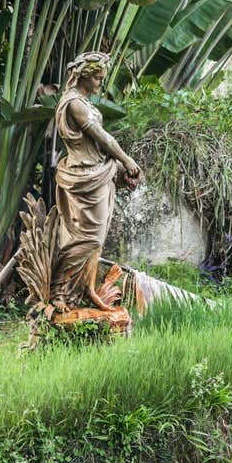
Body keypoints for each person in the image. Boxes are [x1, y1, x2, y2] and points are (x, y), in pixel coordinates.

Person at [50, 51, 141, 312]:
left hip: (97, 174)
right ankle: (58, 290)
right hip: (83, 175)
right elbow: (102, 138)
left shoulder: (84, 101)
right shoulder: (74, 103)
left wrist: (119, 171)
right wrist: (126, 159)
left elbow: (99, 144)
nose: (101, 83)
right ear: (85, 76)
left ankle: (87, 289)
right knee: (85, 238)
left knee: (96, 239)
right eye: (99, 78)